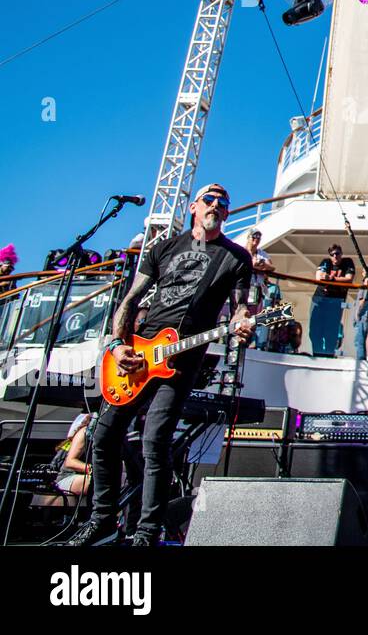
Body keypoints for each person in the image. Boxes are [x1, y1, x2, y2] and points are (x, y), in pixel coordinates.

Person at [67, 183, 254, 546]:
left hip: (181, 362)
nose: (217, 205)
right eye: (209, 200)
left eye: (224, 203)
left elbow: (240, 307)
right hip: (137, 354)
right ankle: (102, 518)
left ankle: (147, 532)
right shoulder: (164, 248)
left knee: (156, 440)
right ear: (195, 208)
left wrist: (243, 321)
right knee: (103, 435)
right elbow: (131, 298)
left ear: (227, 214)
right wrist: (118, 345)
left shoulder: (235, 258)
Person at [310, 244, 354, 357]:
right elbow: (319, 277)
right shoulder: (326, 262)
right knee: (315, 330)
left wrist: (332, 278)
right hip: (320, 300)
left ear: (341, 254)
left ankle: (329, 354)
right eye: (332, 254)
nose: (335, 256)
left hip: (336, 301)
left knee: (331, 330)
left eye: (337, 253)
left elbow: (349, 279)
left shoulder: (347, 262)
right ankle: (317, 353)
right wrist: (331, 279)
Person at [244, 230, 275, 348]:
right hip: (243, 289)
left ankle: (253, 343)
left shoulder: (262, 254)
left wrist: (263, 265)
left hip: (256, 290)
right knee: (241, 315)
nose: (256, 239)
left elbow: (272, 267)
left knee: (254, 319)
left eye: (259, 237)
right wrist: (252, 264)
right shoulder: (242, 251)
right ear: (248, 237)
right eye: (254, 236)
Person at [53, 413, 93, 497]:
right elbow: (70, 462)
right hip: (67, 478)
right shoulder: (84, 432)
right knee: (104, 480)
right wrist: (95, 470)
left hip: (83, 477)